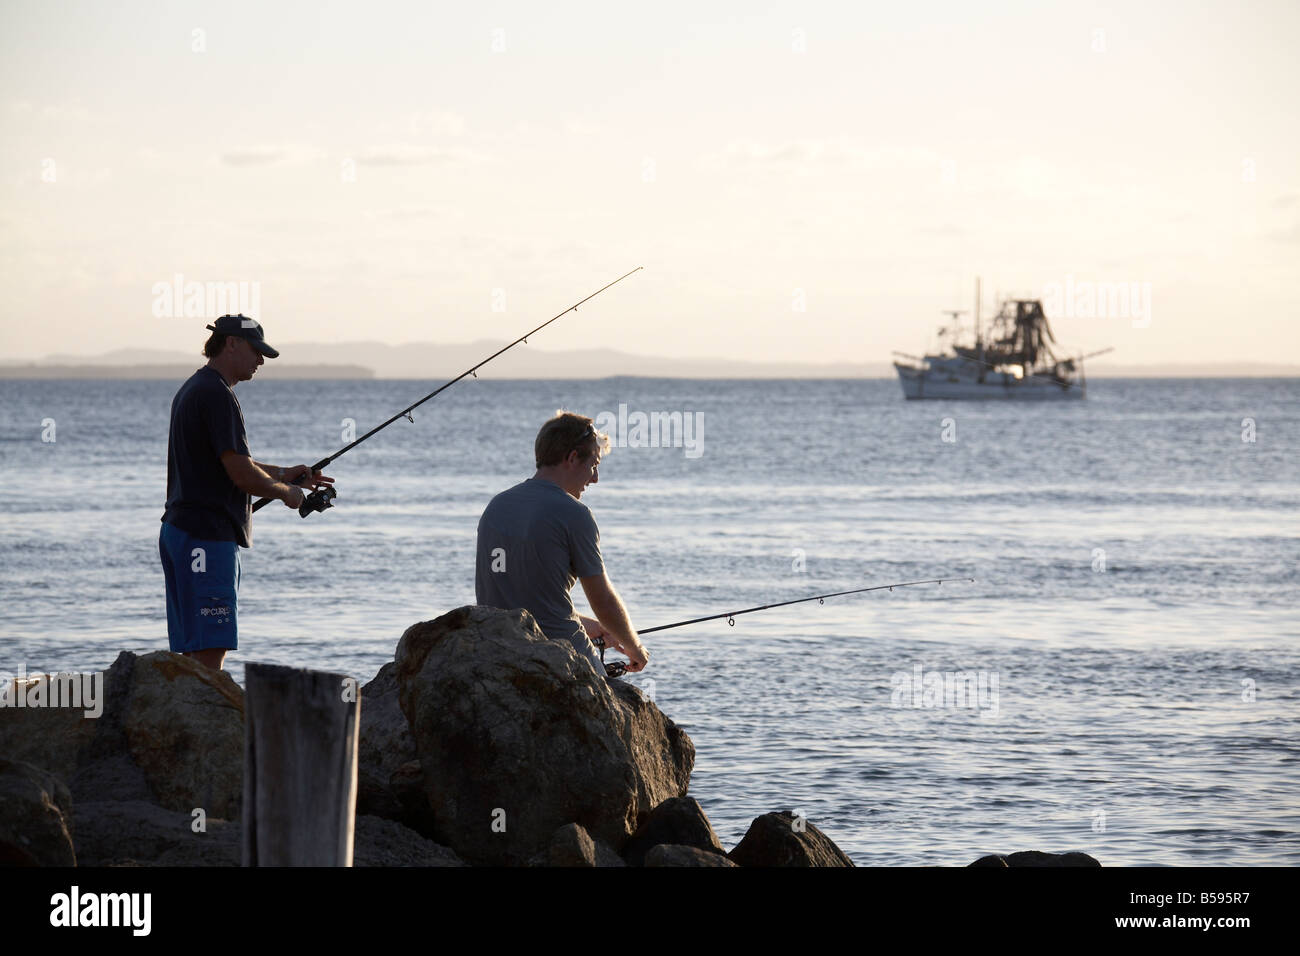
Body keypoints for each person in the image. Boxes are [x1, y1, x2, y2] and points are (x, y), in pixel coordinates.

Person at [159, 314, 332, 671]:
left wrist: (284, 474)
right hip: (205, 537)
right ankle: (210, 710)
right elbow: (241, 475)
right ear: (231, 343)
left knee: (193, 652)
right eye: (257, 351)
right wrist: (287, 494)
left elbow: (231, 463)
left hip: (182, 533)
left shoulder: (196, 387)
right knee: (210, 651)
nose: (261, 361)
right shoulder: (217, 394)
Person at [475, 411, 649, 676]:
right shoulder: (574, 514)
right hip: (560, 657)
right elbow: (602, 599)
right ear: (572, 458)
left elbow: (519, 600)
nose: (595, 478)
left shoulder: (496, 507)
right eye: (594, 465)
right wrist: (634, 646)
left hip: (497, 650)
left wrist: (591, 625)